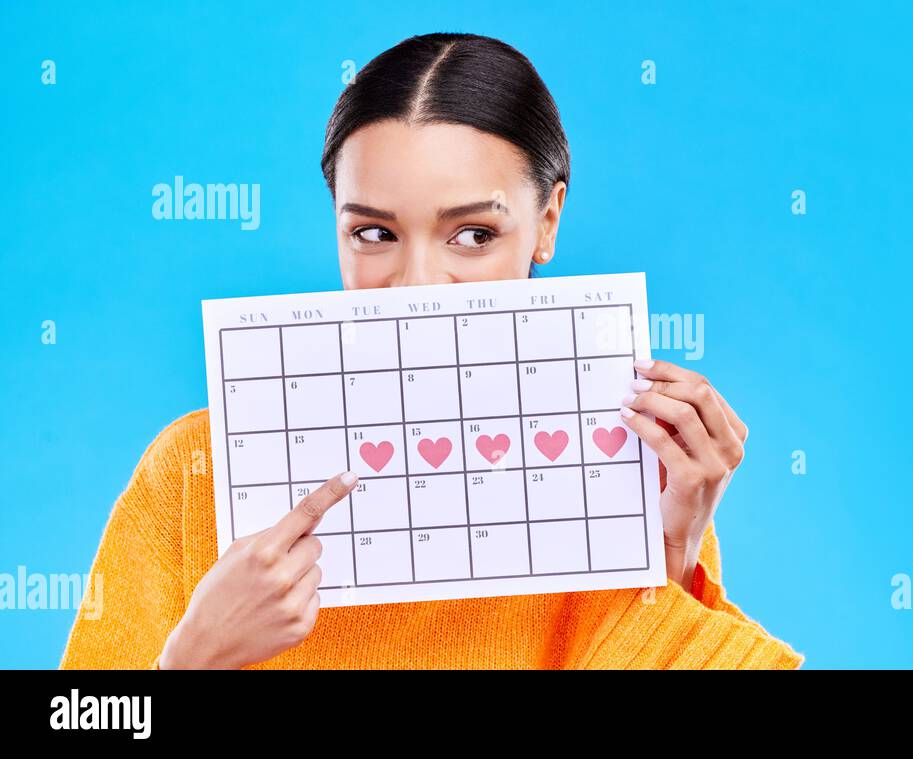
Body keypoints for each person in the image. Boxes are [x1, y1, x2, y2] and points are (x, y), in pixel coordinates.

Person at [60, 33, 802, 669]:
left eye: (474, 234)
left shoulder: (631, 472)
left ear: (548, 220)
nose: (418, 286)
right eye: (374, 234)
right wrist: (189, 659)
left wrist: (669, 551)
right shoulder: (193, 473)